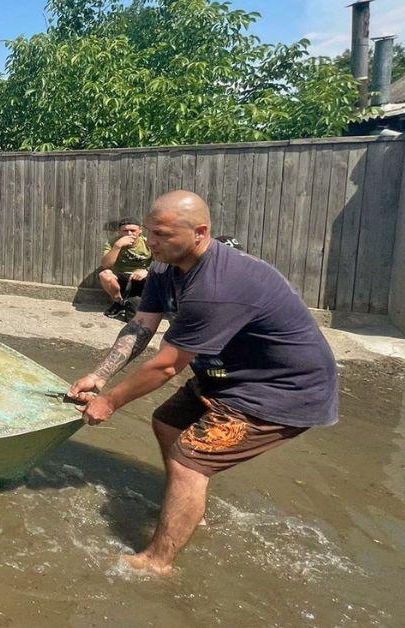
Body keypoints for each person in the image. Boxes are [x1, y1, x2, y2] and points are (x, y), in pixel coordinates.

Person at [68, 190, 338, 576]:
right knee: (167, 422)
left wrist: (109, 402)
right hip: (228, 374)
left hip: (281, 389)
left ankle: (156, 562)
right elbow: (141, 325)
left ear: (200, 233)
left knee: (188, 461)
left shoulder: (217, 286)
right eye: (149, 232)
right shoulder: (165, 267)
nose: (151, 242)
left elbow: (167, 366)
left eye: (162, 235)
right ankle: (187, 507)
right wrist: (99, 375)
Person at [99, 217, 152, 320]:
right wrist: (117, 246)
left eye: (133, 230)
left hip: (140, 279)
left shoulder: (147, 243)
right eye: (125, 231)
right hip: (121, 277)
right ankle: (118, 302)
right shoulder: (113, 242)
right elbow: (106, 265)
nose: (129, 233)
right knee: (104, 275)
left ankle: (133, 304)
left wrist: (146, 271)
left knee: (134, 317)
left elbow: (162, 262)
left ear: (140, 230)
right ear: (119, 232)